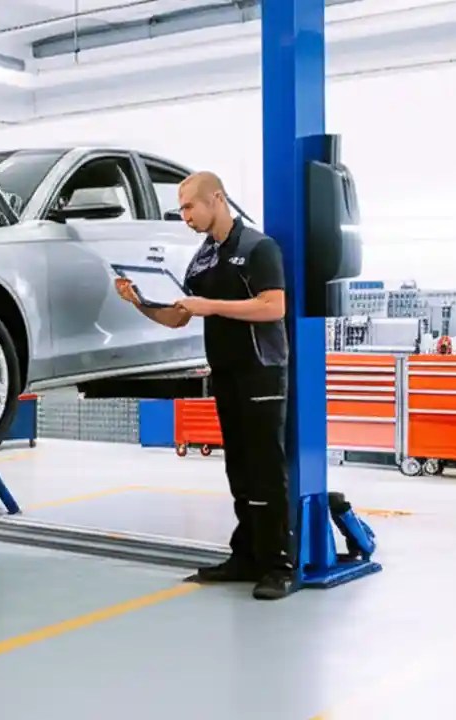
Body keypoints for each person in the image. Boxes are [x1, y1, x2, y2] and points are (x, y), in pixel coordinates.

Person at [115, 171, 294, 601]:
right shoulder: (203, 258)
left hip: (261, 370)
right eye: (181, 210)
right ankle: (246, 555)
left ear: (217, 199)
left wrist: (208, 305)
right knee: (238, 469)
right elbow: (179, 315)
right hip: (226, 373)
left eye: (190, 207)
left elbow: (274, 307)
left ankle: (280, 565)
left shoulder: (258, 247)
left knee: (265, 469)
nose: (185, 217)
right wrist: (138, 301)